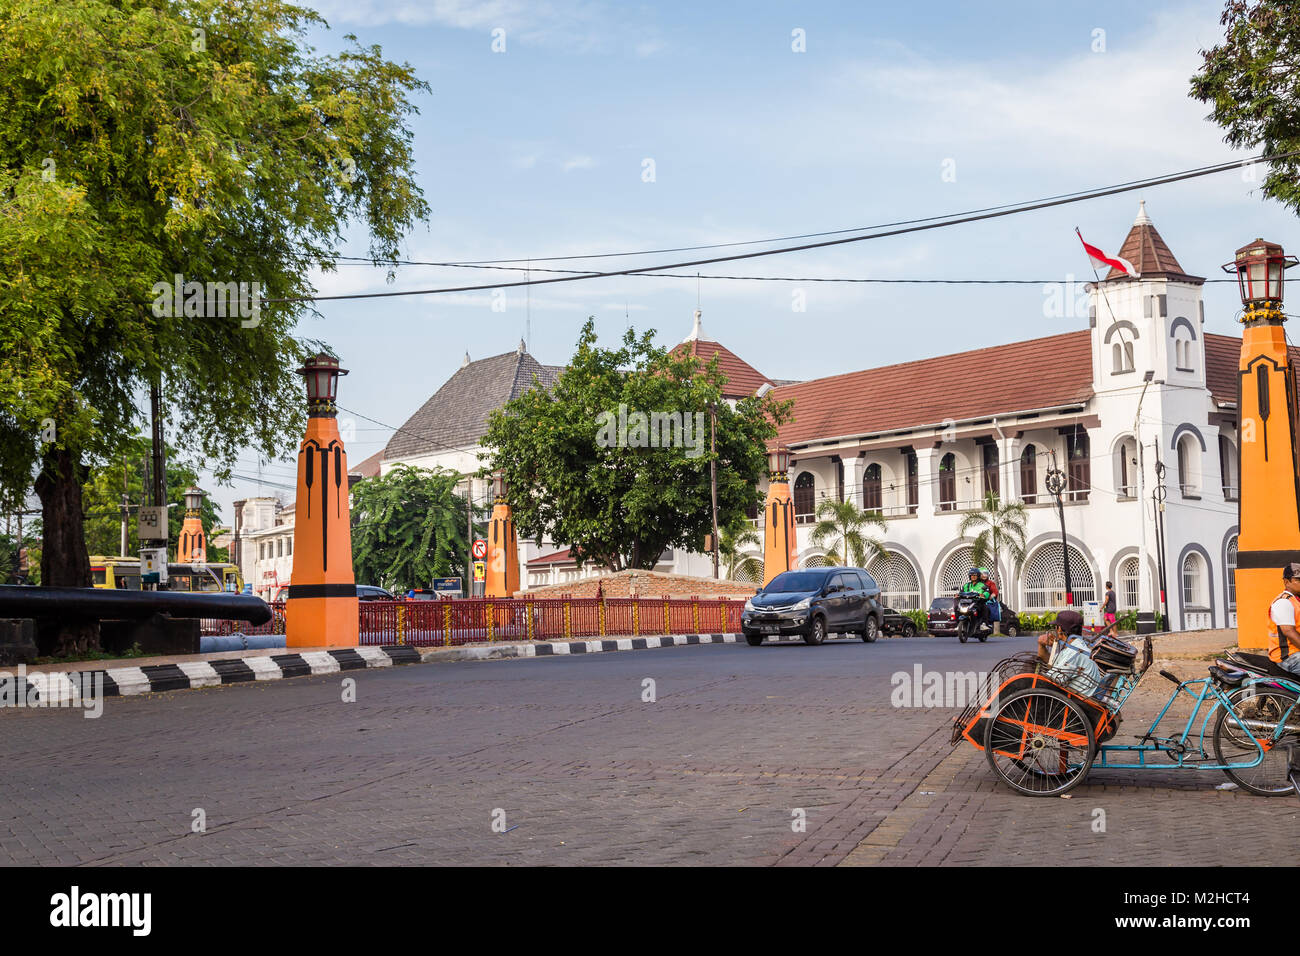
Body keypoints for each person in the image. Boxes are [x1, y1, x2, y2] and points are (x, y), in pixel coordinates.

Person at [1266, 563, 1300, 677]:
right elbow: (1289, 632)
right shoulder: (1283, 602)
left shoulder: (1296, 601)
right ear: (1286, 582)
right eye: (1298, 580)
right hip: (1288, 657)